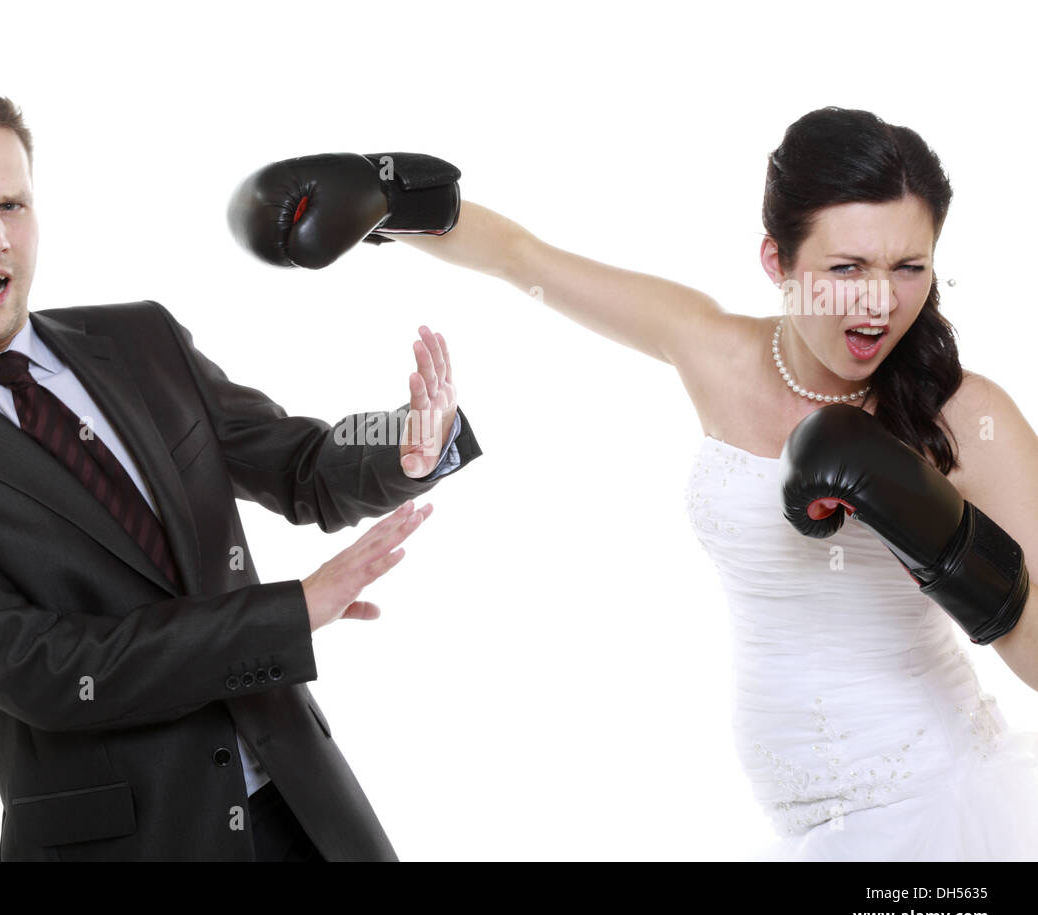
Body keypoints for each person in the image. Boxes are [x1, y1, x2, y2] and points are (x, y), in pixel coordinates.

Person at [230, 109, 1038, 860]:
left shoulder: (964, 418)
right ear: (776, 262)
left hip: (937, 812)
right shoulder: (712, 349)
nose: (878, 302)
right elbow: (524, 260)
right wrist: (382, 196)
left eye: (909, 267)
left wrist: (950, 547)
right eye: (846, 267)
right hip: (803, 824)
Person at [0, 79, 482, 862]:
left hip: (309, 809)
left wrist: (402, 443)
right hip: (134, 841)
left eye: (11, 205)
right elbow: (51, 671)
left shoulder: (139, 338)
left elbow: (298, 464)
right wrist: (290, 612)